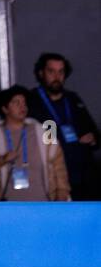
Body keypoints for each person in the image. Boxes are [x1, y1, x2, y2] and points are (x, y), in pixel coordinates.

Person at [0, 85, 70, 201]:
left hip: (43, 203)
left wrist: (62, 194)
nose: (22, 106)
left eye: (24, 102)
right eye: (16, 102)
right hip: (7, 206)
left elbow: (58, 165)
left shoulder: (44, 131)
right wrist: (2, 159)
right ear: (5, 109)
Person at [24, 52, 98, 199]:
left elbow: (93, 131)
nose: (56, 77)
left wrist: (93, 138)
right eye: (51, 71)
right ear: (41, 73)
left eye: (61, 72)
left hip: (82, 174)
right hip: (52, 175)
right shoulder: (31, 101)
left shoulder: (72, 99)